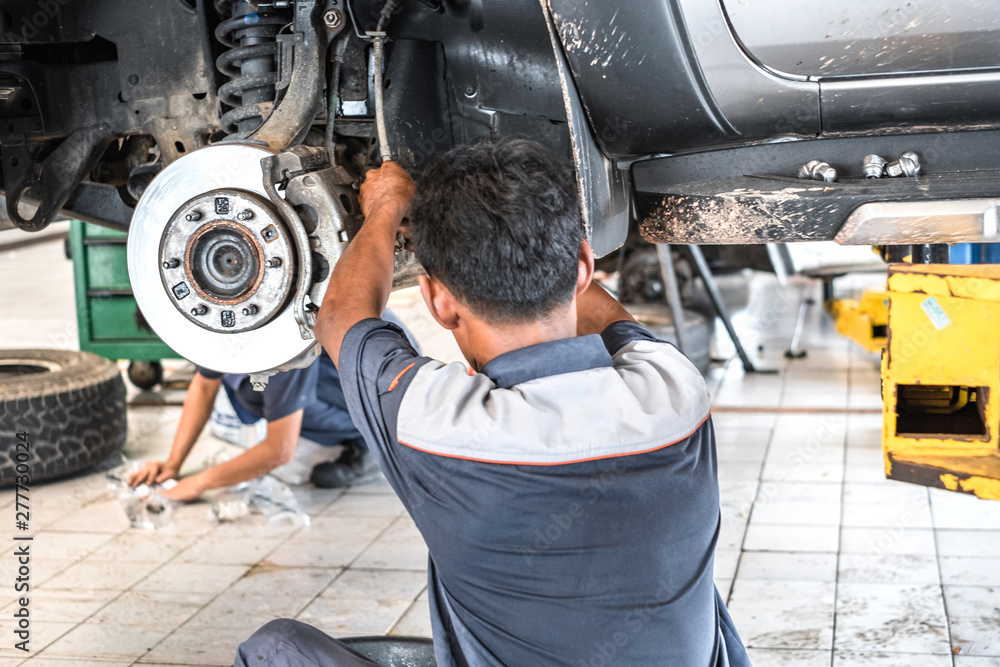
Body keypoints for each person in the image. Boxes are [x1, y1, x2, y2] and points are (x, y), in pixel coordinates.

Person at [234, 138, 750, 666]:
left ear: (437, 301)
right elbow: (609, 316)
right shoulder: (675, 392)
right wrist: (521, 231)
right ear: (582, 265)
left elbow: (341, 318)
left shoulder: (439, 425)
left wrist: (386, 207)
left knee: (274, 648)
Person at [128, 348, 377, 501]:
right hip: (350, 374)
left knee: (263, 393)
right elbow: (204, 385)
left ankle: (369, 441)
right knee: (255, 393)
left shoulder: (286, 338)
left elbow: (279, 450)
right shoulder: (215, 319)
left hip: (379, 392)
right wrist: (173, 463)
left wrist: (200, 482)